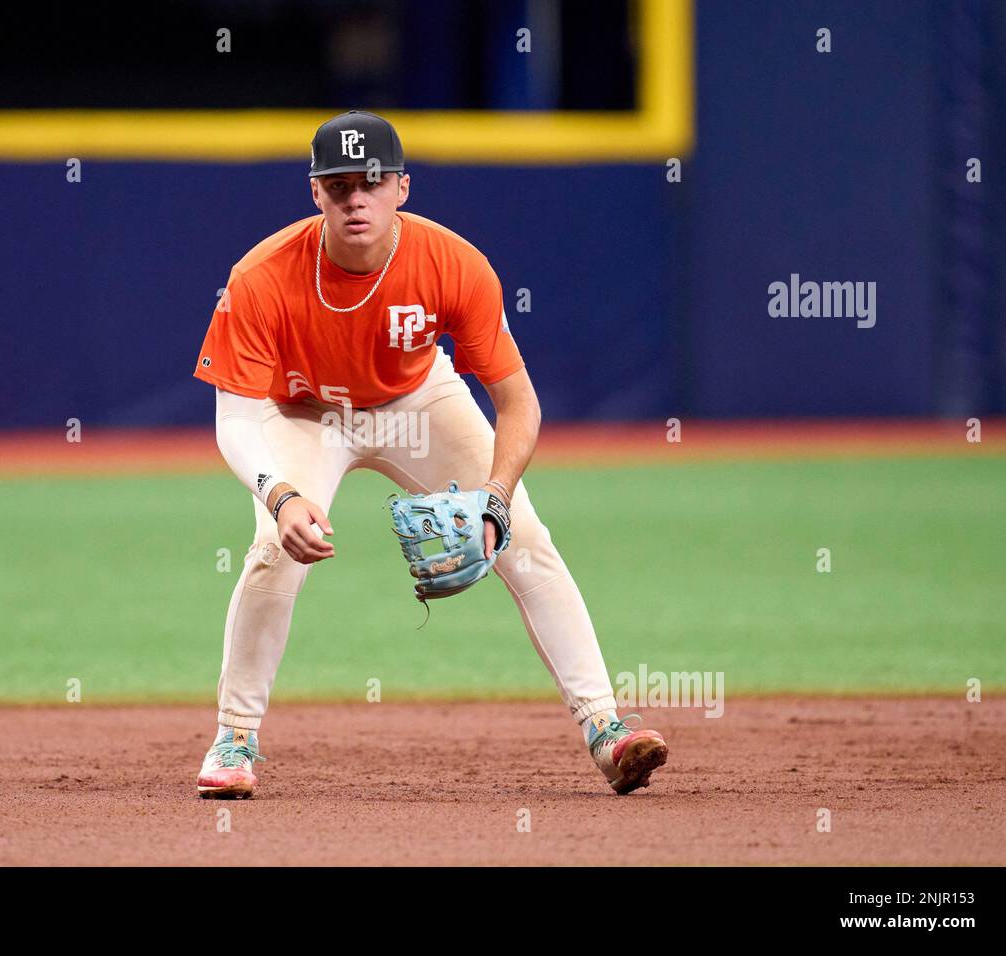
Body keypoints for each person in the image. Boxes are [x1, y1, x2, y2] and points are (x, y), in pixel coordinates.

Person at [191, 109, 668, 798]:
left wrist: (495, 499)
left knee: (525, 538)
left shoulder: (453, 263)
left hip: (417, 400)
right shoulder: (263, 275)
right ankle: (234, 739)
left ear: (402, 188)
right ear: (315, 192)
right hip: (304, 413)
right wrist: (280, 495)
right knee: (276, 546)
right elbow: (236, 418)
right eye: (340, 183)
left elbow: (518, 403)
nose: (357, 197)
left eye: (373, 182)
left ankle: (606, 728)